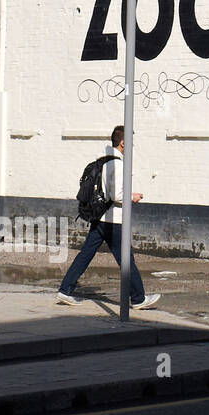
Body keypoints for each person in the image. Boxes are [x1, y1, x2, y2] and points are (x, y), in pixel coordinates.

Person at [56, 126, 160, 308]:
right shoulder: (118, 164)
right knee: (126, 259)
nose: (132, 146)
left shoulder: (103, 161)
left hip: (100, 217)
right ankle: (138, 298)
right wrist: (132, 196)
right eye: (130, 143)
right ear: (122, 143)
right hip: (114, 221)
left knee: (85, 255)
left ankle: (65, 290)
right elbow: (116, 196)